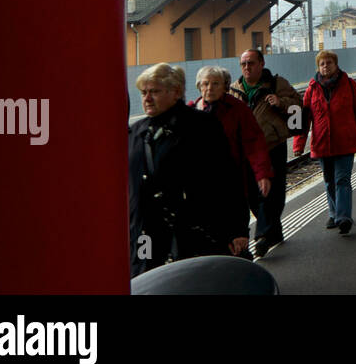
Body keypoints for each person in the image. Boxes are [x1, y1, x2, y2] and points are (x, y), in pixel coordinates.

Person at [128, 63, 249, 276]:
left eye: (154, 91)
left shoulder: (201, 126)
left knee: (195, 282)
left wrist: (237, 230)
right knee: (148, 282)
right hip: (146, 236)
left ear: (176, 92)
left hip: (195, 232)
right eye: (143, 92)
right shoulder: (136, 133)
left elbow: (227, 178)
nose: (146, 98)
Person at [190, 65, 273, 258]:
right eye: (205, 83)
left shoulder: (237, 109)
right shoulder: (191, 111)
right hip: (203, 187)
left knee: (237, 238)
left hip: (234, 182)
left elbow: (254, 142)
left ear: (225, 86)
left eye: (215, 84)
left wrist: (262, 174)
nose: (209, 88)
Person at [230, 47, 303, 259]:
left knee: (273, 192)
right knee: (253, 195)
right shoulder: (234, 89)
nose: (246, 67)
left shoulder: (277, 83)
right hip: (247, 151)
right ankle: (274, 230)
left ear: (261, 64)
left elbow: (298, 105)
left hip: (273, 146)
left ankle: (262, 235)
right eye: (243, 63)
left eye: (251, 63)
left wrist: (281, 103)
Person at [293, 50, 356, 236]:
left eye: (329, 62)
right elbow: (303, 120)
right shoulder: (311, 89)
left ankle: (343, 217)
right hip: (322, 143)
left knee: (342, 179)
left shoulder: (349, 84)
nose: (326, 66)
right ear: (318, 67)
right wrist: (298, 144)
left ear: (336, 65)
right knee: (329, 181)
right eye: (322, 63)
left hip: (345, 141)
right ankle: (334, 212)